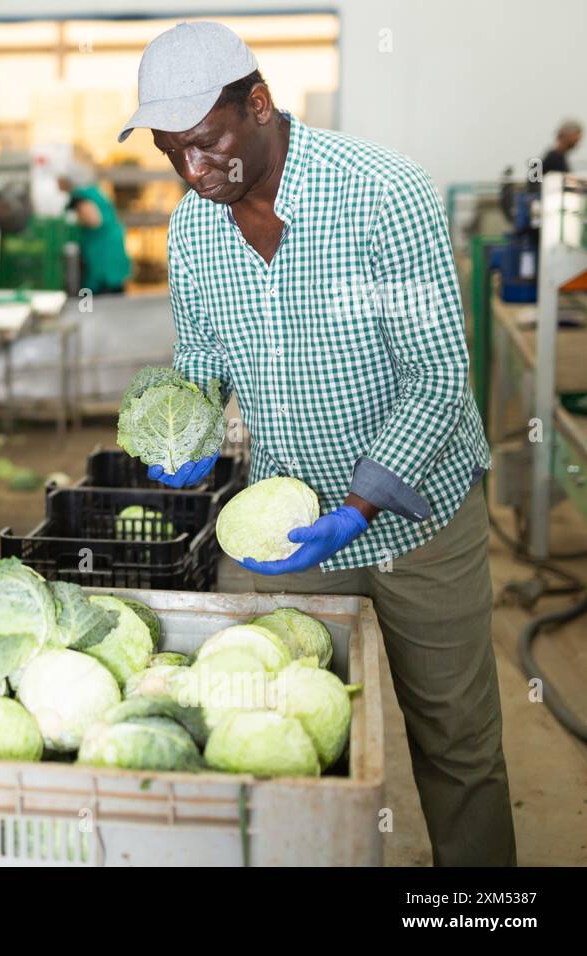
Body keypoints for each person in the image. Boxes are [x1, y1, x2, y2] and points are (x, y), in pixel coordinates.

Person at [122, 21, 514, 866]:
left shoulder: (382, 192)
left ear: (258, 105)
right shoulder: (193, 230)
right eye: (170, 152)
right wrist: (188, 423)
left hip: (420, 521)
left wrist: (364, 501)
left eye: (204, 144)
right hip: (294, 525)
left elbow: (440, 375)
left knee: (455, 739)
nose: (193, 172)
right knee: (283, 728)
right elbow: (202, 360)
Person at [56, 160, 131, 295]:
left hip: (102, 252)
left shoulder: (81, 196)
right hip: (112, 247)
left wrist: (76, 221)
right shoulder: (93, 190)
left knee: (102, 299)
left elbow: (93, 220)